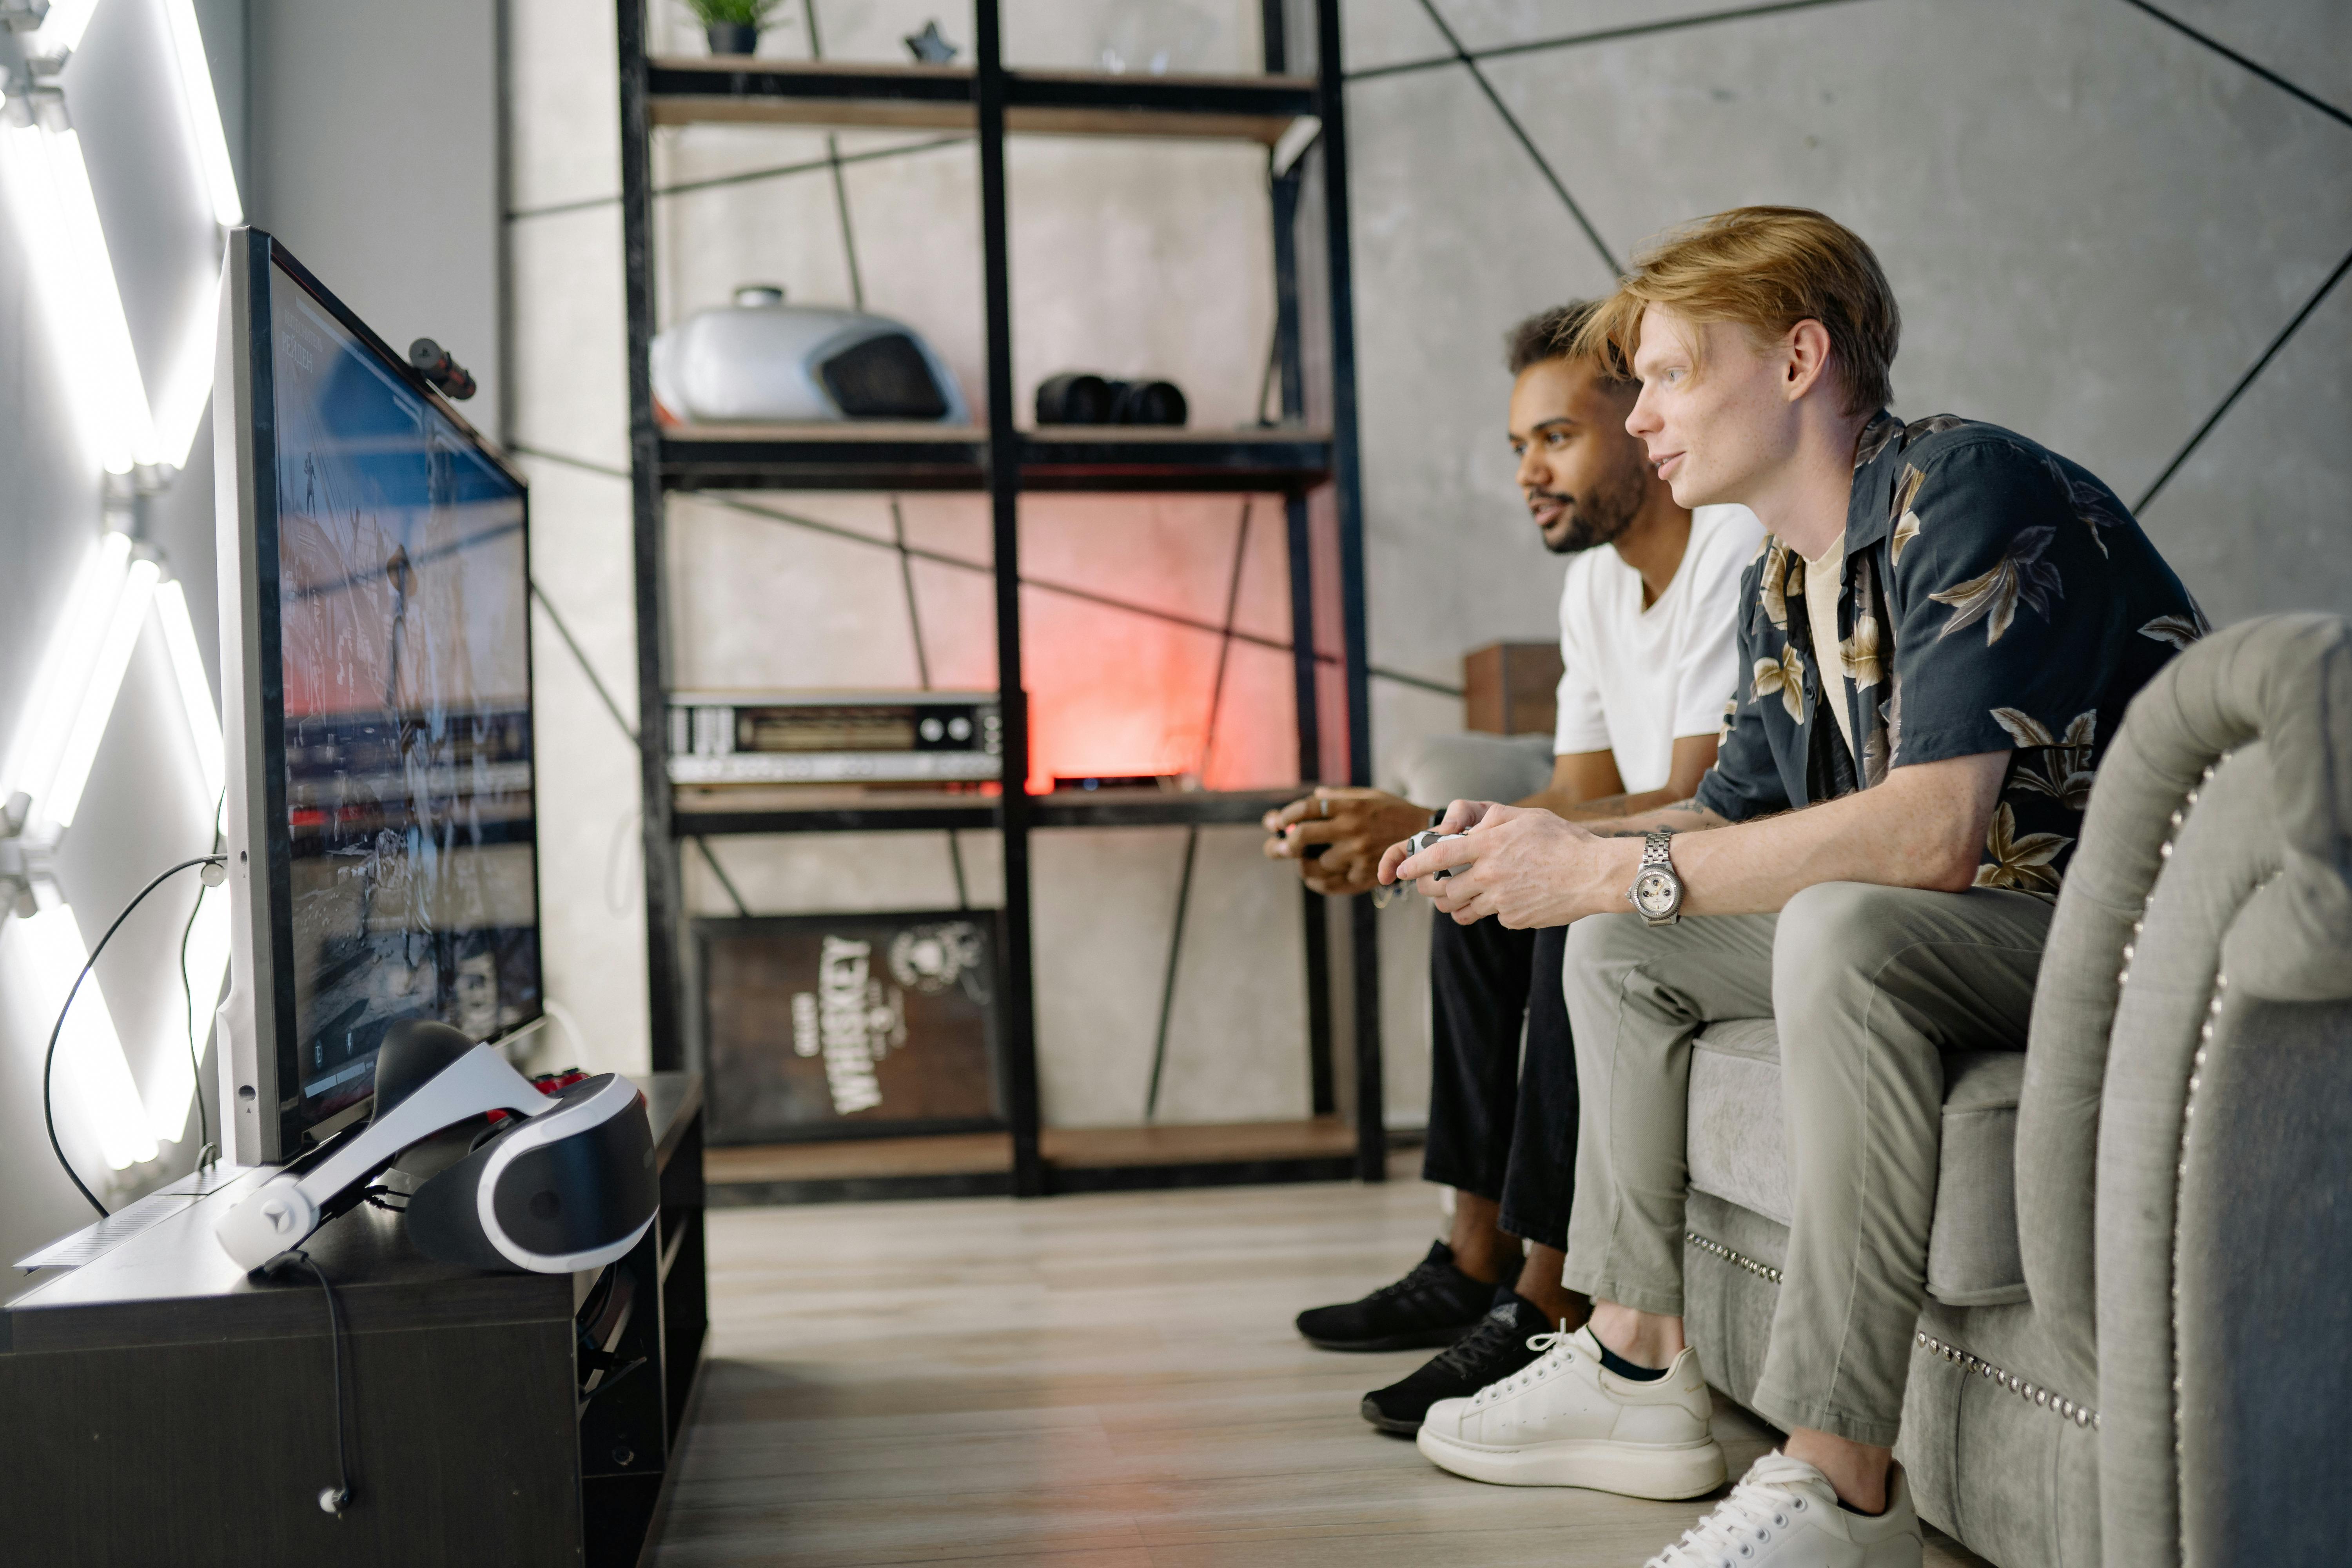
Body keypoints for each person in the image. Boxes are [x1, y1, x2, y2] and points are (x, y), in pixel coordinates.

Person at [1383, 207, 2202, 1566]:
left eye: (1669, 375)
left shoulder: (1970, 489)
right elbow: (1730, 809)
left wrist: (1608, 861)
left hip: (2124, 932)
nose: (1641, 416)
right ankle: (1638, 1368)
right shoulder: (1786, 571)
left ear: (1799, 359)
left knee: (1838, 922)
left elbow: (1934, 833)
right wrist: (1532, 843)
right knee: (1618, 944)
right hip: (1978, 932)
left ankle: (1843, 1483)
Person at [1267, 303, 1761, 1434]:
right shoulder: (1594, 586)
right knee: (1482, 889)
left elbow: (1688, 795)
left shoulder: (1729, 544)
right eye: (1519, 449)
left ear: (1643, 426)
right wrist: (1442, 833)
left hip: (1711, 867)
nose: (1531, 472)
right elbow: (1581, 789)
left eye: (1557, 439)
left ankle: (1548, 1294)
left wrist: (1452, 820)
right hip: (1649, 850)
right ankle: (1470, 1250)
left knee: (1552, 889)